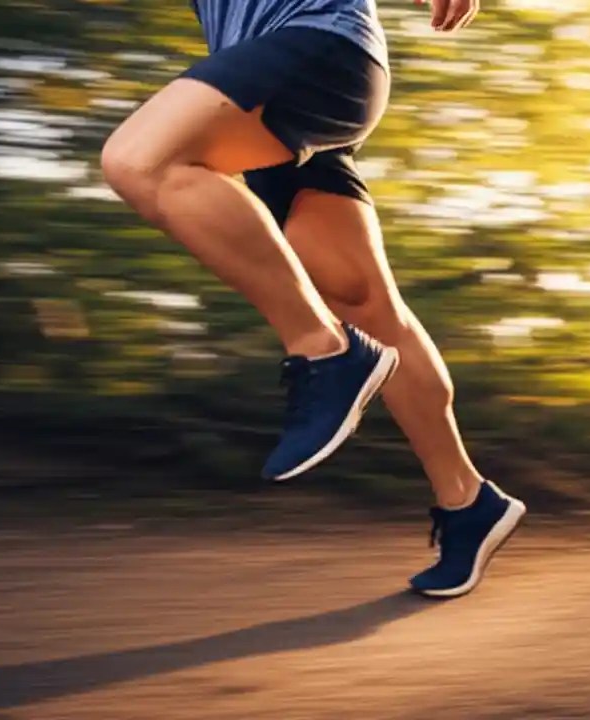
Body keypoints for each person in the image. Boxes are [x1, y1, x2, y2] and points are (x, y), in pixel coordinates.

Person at [100, 0, 525, 597]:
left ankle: (322, 350)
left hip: (318, 46)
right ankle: (468, 501)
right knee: (365, 304)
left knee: (139, 161)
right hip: (273, 87)